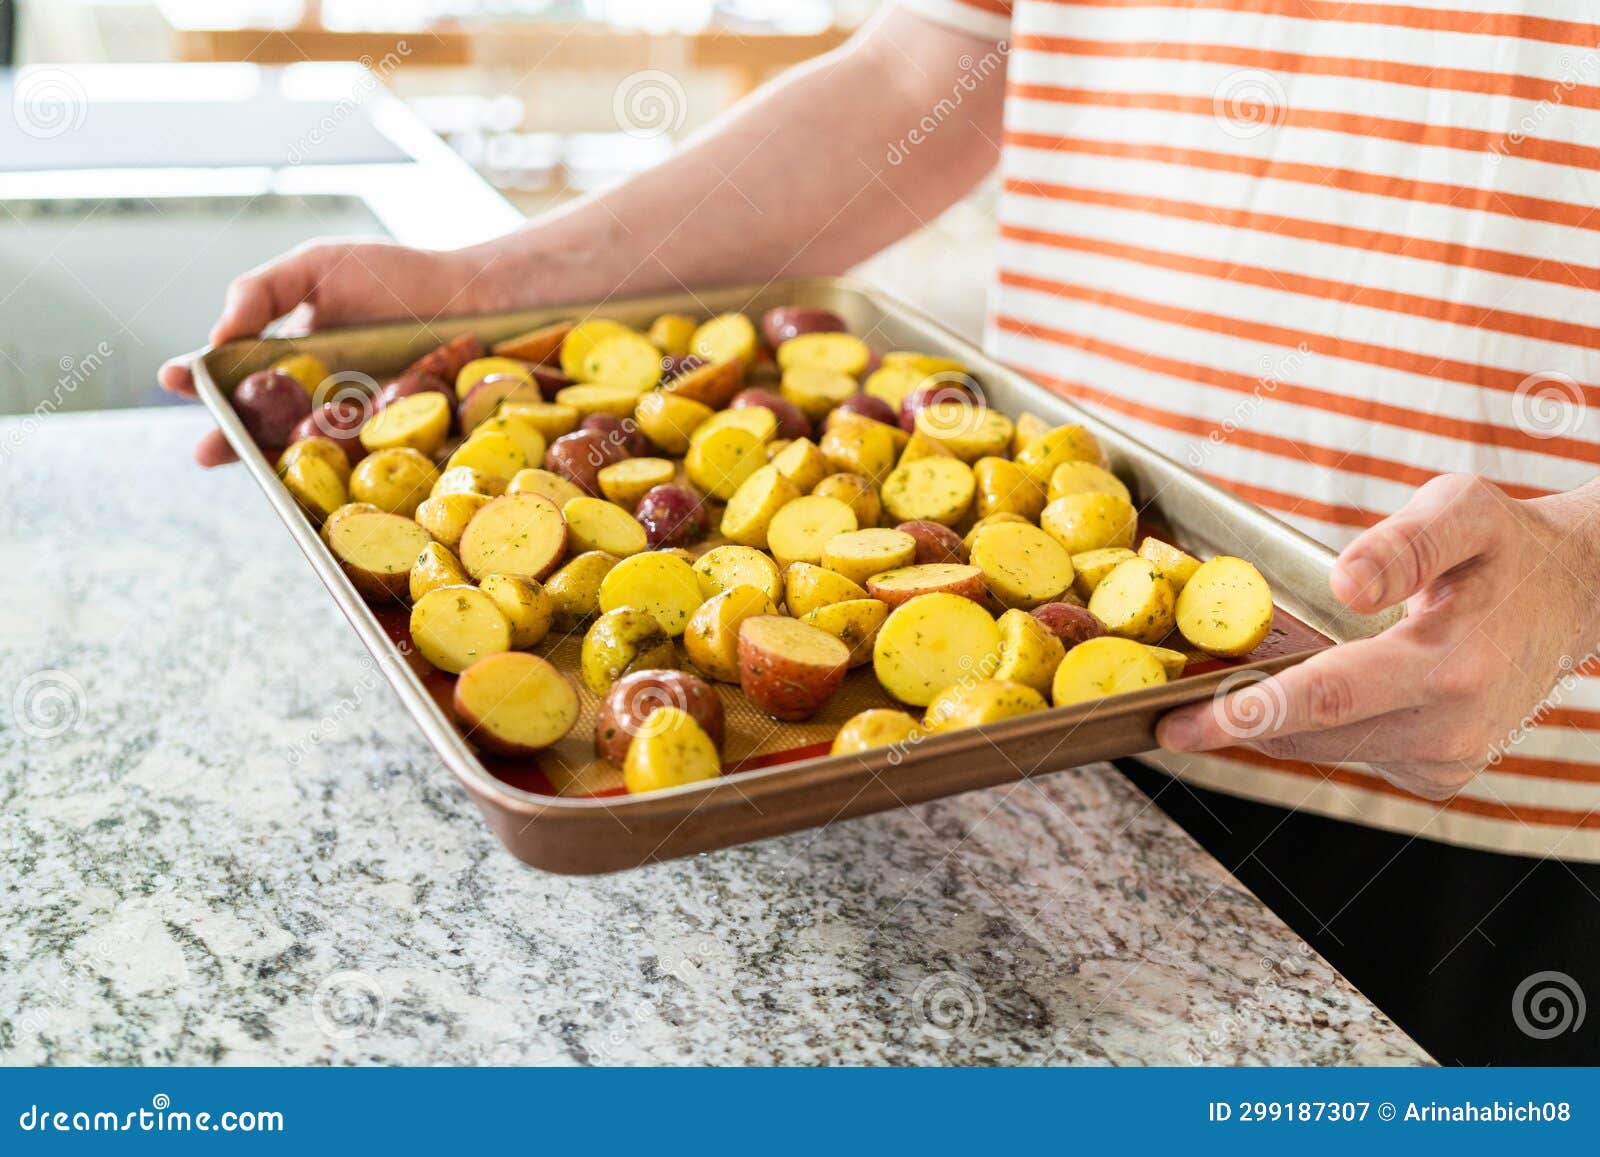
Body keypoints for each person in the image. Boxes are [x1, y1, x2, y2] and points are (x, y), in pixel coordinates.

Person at [161, 2, 1600, 1063]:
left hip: (1514, 821)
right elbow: (938, 61)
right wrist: (480, 290)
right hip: (1015, 739)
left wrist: (1584, 572)